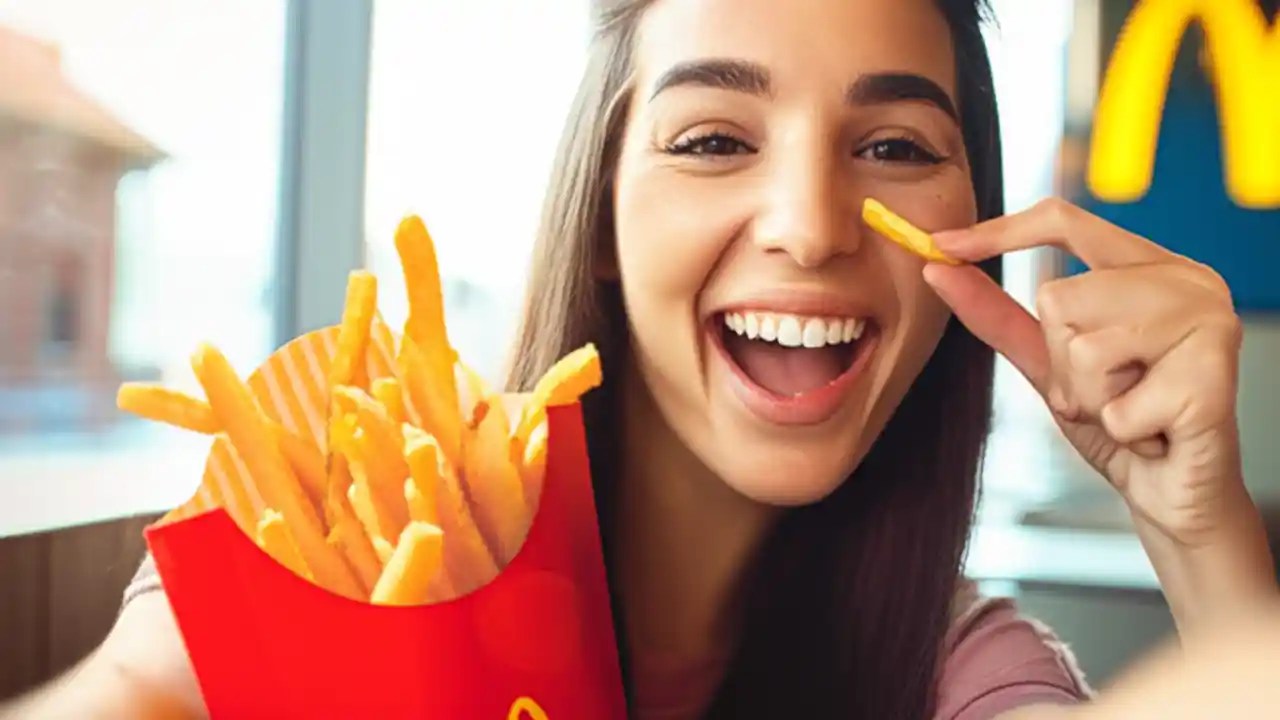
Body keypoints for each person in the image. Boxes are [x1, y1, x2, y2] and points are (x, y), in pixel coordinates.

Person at [3, 0, 1276, 718]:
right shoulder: (343, 512)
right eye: (714, 139)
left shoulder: (965, 679)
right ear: (601, 217)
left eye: (893, 148)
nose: (809, 226)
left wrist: (1203, 540)